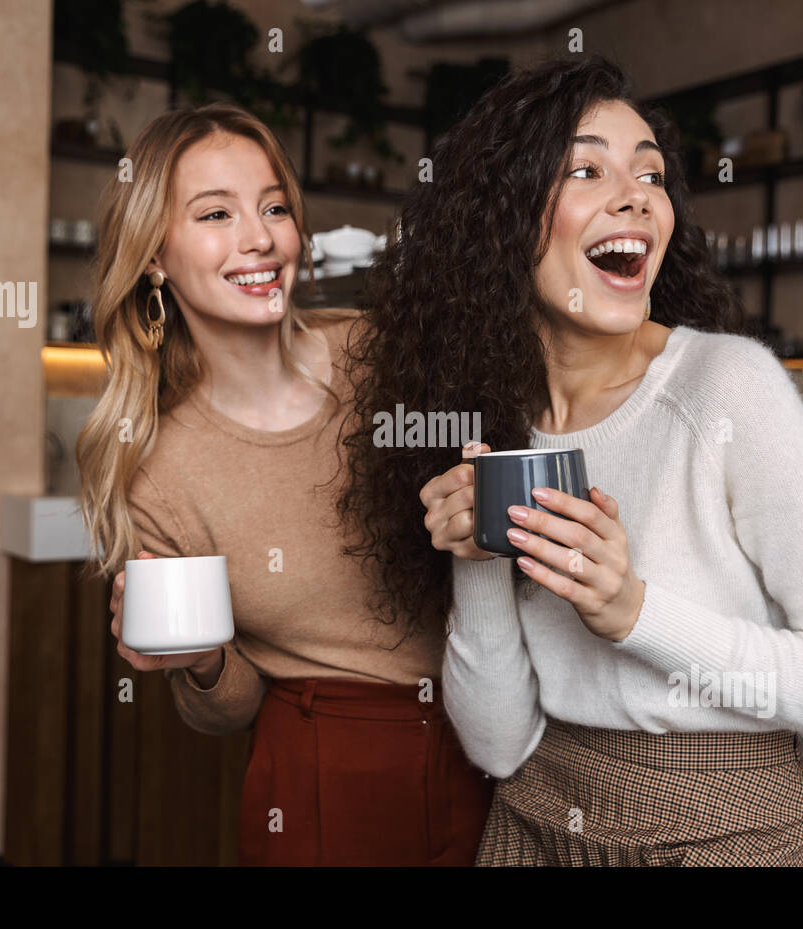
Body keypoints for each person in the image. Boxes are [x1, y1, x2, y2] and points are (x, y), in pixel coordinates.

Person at [337, 55, 803, 865]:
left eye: (650, 174)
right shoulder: (505, 430)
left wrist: (634, 613)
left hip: (717, 832)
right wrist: (475, 563)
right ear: (503, 223)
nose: (636, 195)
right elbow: (500, 746)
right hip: (532, 823)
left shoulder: (729, 388)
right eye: (587, 169)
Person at [77, 103, 493, 866]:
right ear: (153, 258)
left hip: (503, 741)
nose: (260, 238)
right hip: (328, 779)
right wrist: (198, 659)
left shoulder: (387, 354)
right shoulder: (161, 472)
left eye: (274, 207)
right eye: (215, 214)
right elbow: (230, 708)